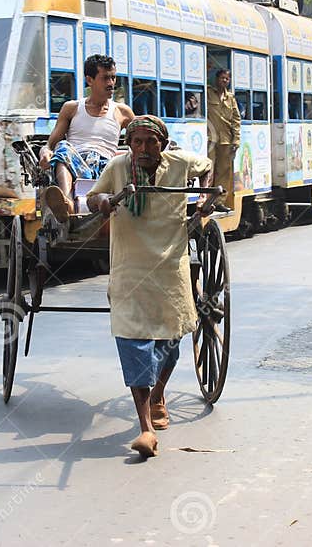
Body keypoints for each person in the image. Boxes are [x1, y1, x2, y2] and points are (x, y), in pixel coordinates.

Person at [86, 115, 212, 458]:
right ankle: (146, 427)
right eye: (136, 142)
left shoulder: (181, 162)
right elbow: (93, 199)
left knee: (170, 339)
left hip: (170, 266)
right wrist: (103, 202)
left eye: (150, 142)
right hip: (129, 268)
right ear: (128, 144)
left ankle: (158, 395)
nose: (143, 149)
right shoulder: (117, 167)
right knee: (132, 342)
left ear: (163, 143)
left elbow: (208, 168)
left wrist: (203, 202)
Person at [38, 55, 134, 222]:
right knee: (62, 147)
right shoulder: (71, 108)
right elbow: (50, 146)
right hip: (76, 165)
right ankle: (66, 202)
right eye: (105, 78)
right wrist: (44, 154)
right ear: (90, 80)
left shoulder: (122, 112)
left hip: (107, 168)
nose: (111, 83)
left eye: (113, 77)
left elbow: (140, 137)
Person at [207, 69, 240, 200]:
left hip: (226, 139)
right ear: (216, 79)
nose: (224, 80)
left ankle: (219, 200)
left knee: (223, 171)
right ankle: (206, 197)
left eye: (227, 78)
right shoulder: (208, 93)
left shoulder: (230, 98)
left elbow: (236, 120)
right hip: (210, 138)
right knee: (209, 168)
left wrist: (236, 139)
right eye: (222, 78)